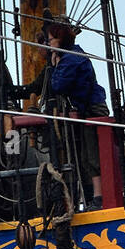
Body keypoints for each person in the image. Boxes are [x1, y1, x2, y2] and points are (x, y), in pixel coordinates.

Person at [44, 15, 109, 210]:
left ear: (60, 39)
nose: (48, 43)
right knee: (84, 154)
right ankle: (91, 197)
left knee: (91, 153)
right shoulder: (73, 54)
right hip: (87, 108)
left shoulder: (69, 59)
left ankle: (97, 198)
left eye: (51, 39)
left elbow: (58, 85)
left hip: (90, 110)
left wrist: (55, 65)